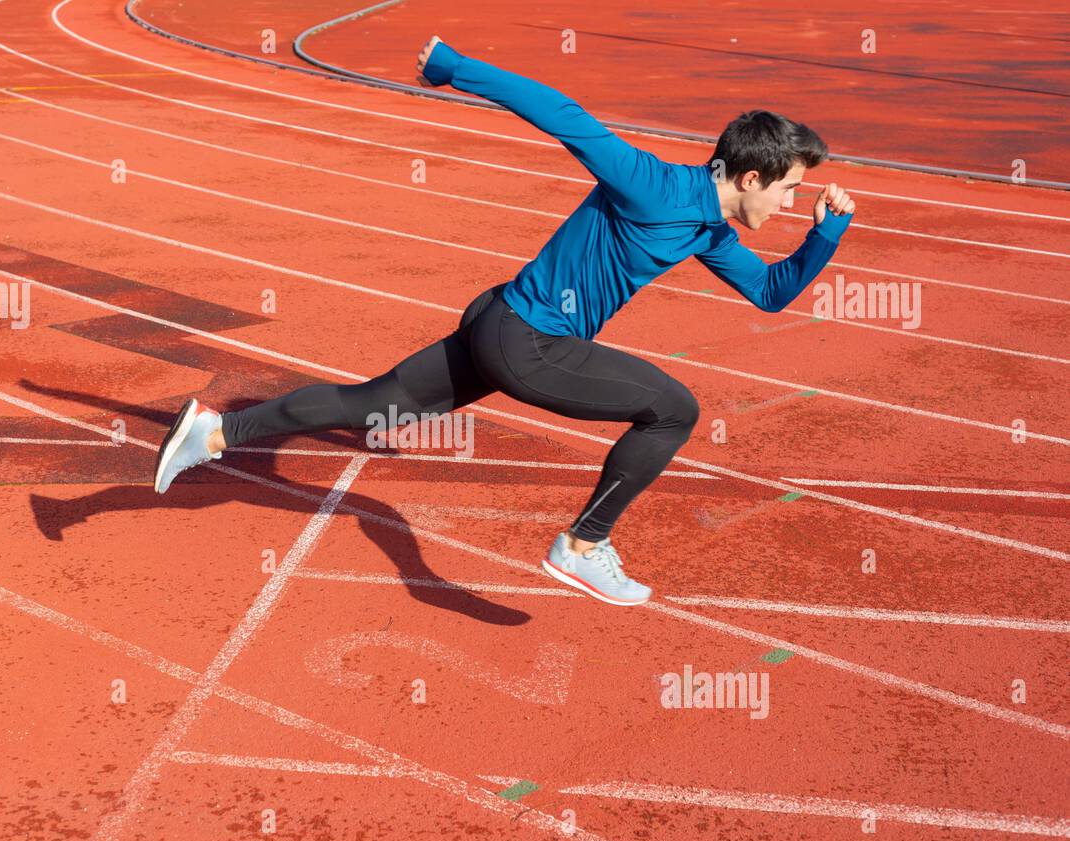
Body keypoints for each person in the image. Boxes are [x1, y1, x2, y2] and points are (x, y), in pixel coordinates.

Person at [153, 36, 856, 607]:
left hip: (501, 322)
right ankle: (582, 545)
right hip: (526, 341)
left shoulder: (708, 231)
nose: (793, 203)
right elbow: (561, 112)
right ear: (752, 178)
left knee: (374, 405)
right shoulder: (653, 183)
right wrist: (452, 68)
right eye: (792, 189)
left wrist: (824, 236)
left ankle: (214, 431)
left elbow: (769, 293)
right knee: (673, 410)